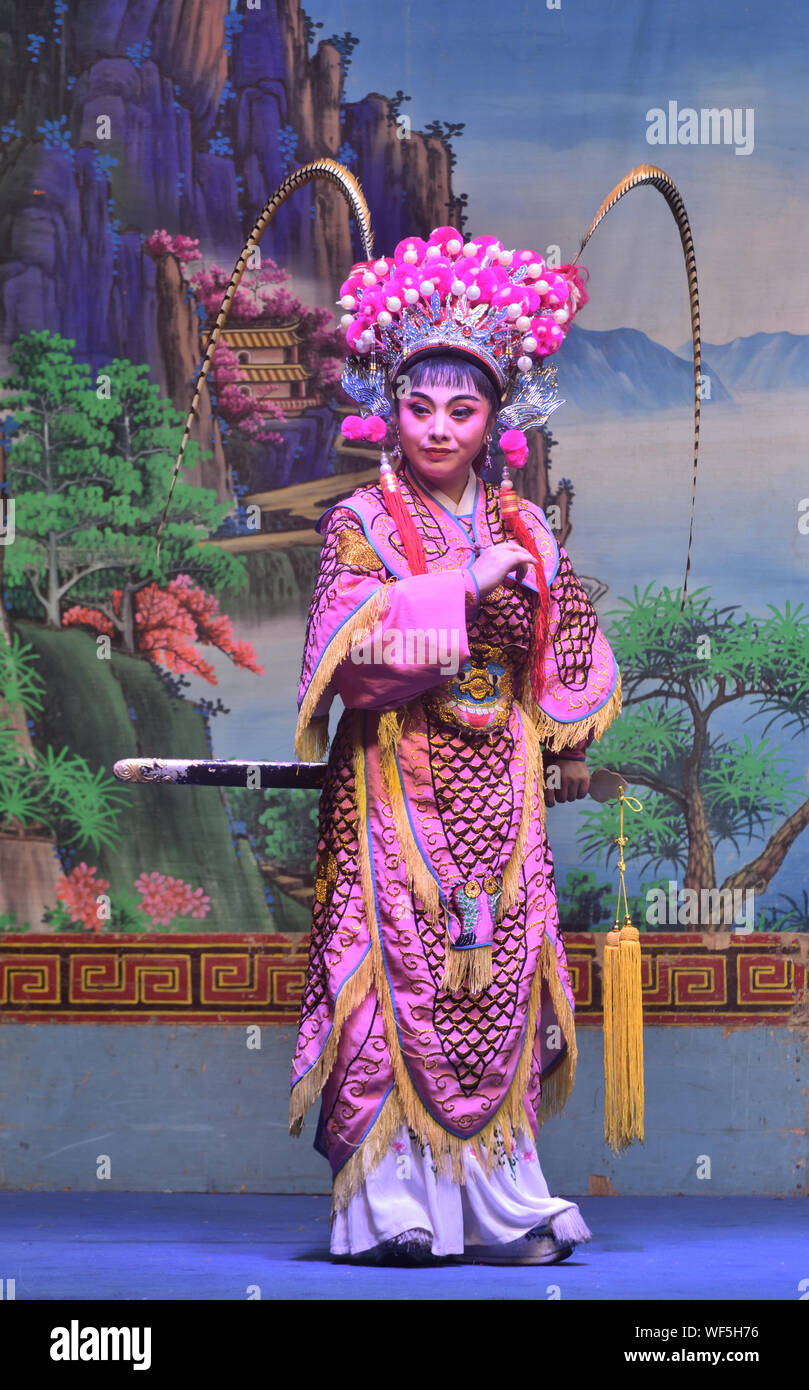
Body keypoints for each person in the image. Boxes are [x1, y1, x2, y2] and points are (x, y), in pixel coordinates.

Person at [288, 225, 622, 1266]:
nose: (437, 427)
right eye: (418, 405)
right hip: (392, 779)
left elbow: (565, 664)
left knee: (499, 975)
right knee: (396, 976)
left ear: (494, 421)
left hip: (502, 788)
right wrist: (459, 587)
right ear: (390, 409)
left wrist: (560, 726)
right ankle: (391, 1203)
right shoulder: (357, 522)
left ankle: (501, 1197)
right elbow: (347, 662)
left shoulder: (526, 529)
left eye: (461, 409)